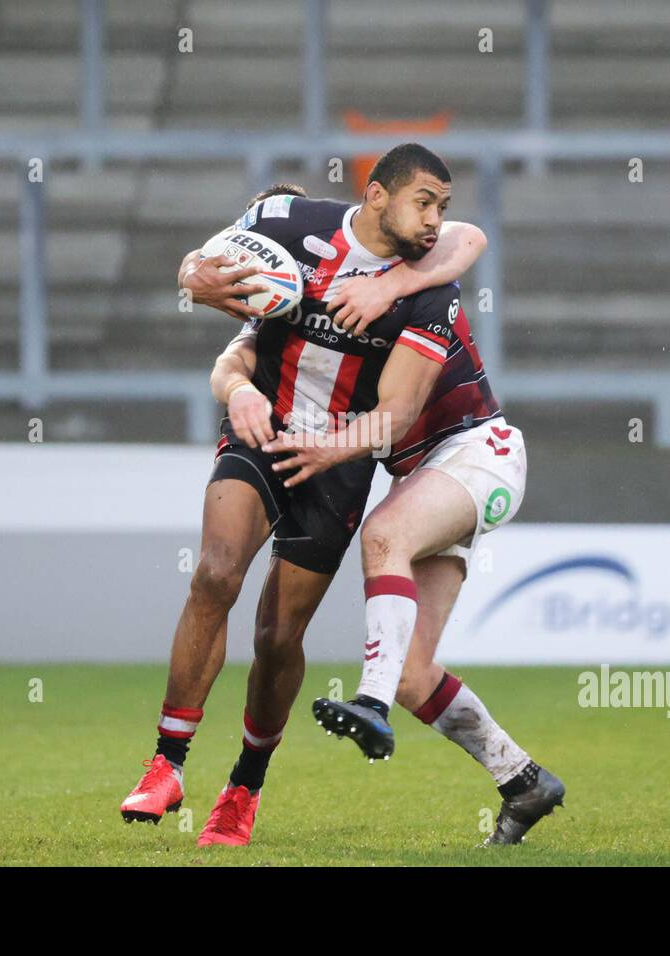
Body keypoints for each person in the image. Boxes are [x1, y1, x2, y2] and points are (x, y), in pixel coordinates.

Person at [120, 146, 490, 846]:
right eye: (425, 202)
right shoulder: (290, 221)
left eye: (444, 205)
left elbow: (400, 414)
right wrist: (200, 293)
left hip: (339, 461)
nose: (437, 218)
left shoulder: (430, 288)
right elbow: (204, 267)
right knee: (215, 570)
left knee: (277, 634)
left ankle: (244, 788)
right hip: (262, 427)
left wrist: (336, 446)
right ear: (376, 196)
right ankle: (166, 763)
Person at [262, 239, 563, 848]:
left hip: (480, 452)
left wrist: (389, 285)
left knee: (384, 535)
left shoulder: (401, 286)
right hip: (428, 477)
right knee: (413, 673)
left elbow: (468, 237)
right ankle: (523, 780)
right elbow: (237, 357)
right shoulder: (310, 325)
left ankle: (371, 703)